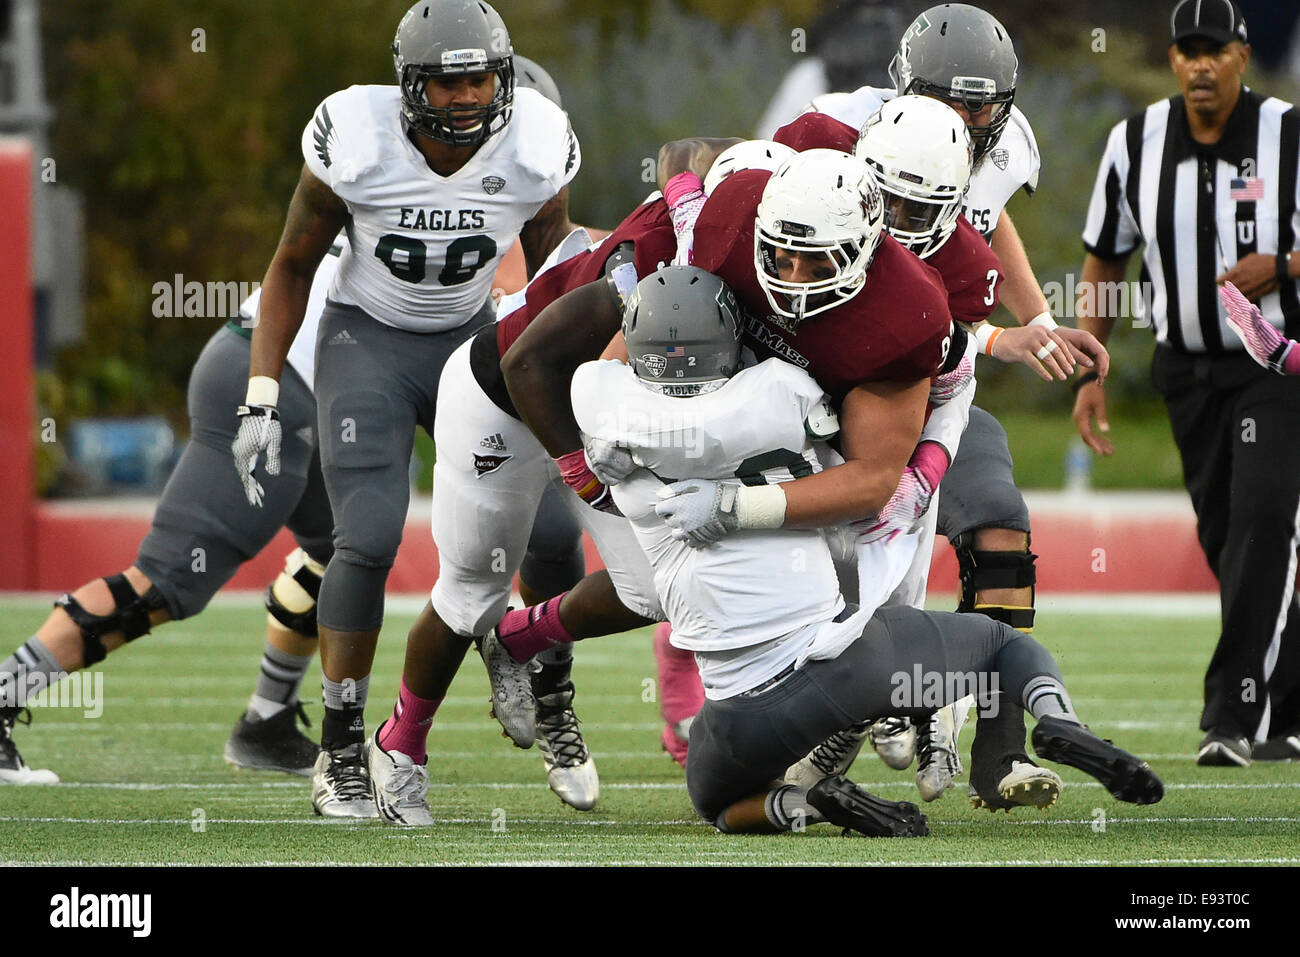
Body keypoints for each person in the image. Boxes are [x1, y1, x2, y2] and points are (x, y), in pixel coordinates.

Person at [571, 264, 1163, 836]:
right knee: (1005, 646)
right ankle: (1058, 722)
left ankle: (809, 804)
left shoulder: (606, 415)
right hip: (846, 664)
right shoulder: (784, 394)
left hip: (738, 711)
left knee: (720, 806)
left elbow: (611, 383)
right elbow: (869, 446)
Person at [234, 0, 581, 817]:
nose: (465, 96)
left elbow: (553, 276)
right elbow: (290, 265)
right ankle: (342, 747)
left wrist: (560, 387)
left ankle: (544, 678)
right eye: (447, 80)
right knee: (370, 533)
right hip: (369, 341)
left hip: (470, 336)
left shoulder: (535, 142)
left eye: (480, 78)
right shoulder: (355, 140)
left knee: (557, 531)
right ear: (409, 84)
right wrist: (259, 393)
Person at [769, 3, 1111, 806]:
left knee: (998, 527)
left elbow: (991, 229)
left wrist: (1039, 322)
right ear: (899, 91)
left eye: (980, 105)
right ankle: (819, 712)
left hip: (940, 380)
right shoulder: (832, 129)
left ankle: (994, 752)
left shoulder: (1002, 154)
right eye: (946, 101)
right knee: (826, 573)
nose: (962, 121)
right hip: (828, 384)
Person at [0, 248, 343, 786]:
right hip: (272, 382)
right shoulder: (492, 194)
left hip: (304, 383)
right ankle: (4, 693)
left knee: (349, 547)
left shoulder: (453, 189)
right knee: (164, 584)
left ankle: (267, 723)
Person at [1075, 0, 1300, 765]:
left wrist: (1288, 265)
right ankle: (1288, 709)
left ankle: (1230, 715)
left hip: (1273, 367)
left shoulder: (1289, 135)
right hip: (1187, 372)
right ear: (1174, 61)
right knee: (1227, 539)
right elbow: (1106, 254)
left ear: (1243, 55)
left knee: (1263, 519)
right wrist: (1089, 365)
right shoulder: (1132, 142)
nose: (1201, 64)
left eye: (1216, 49)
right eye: (1187, 51)